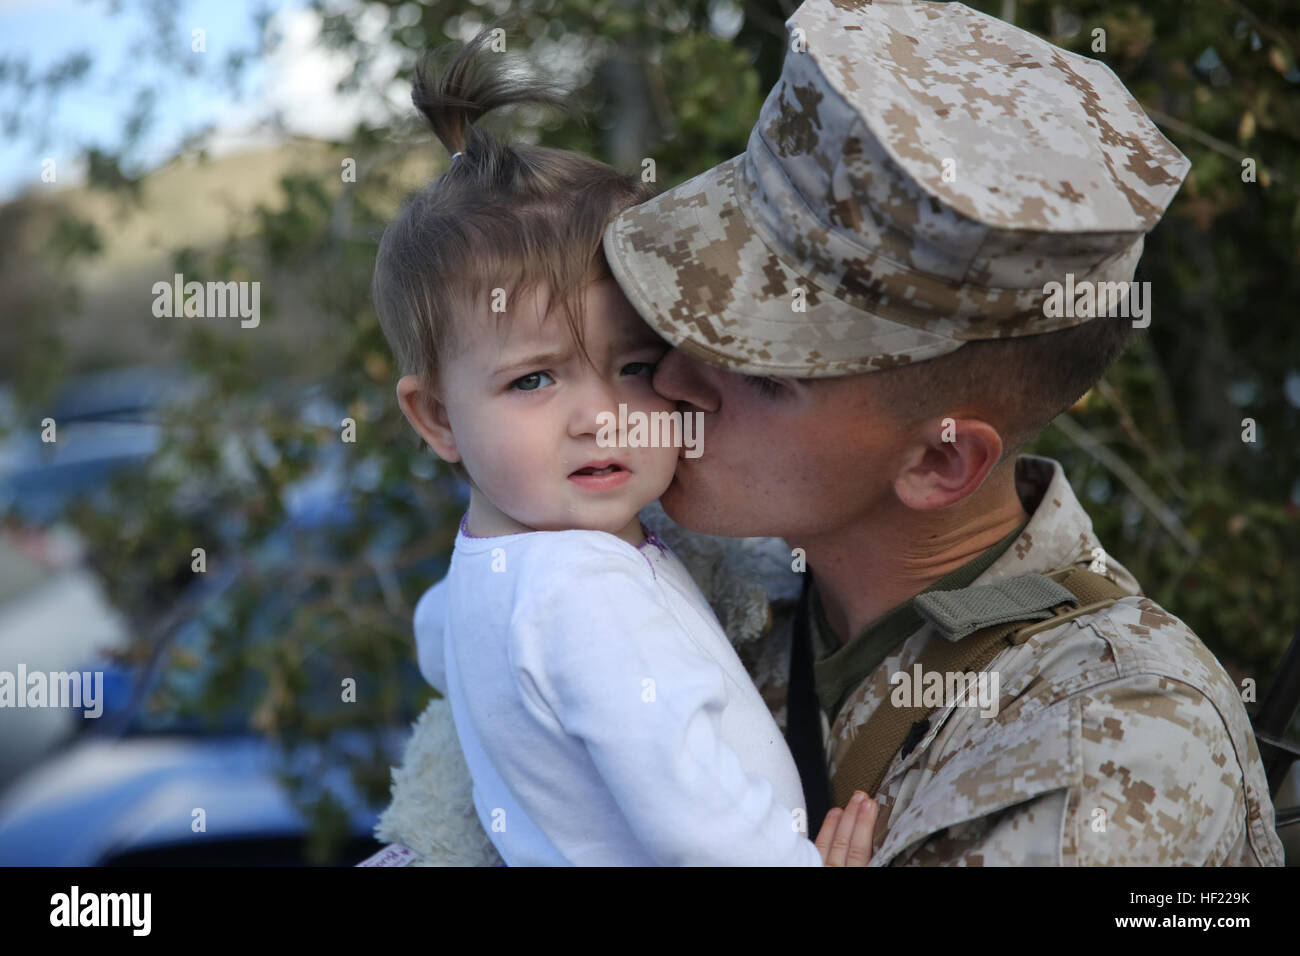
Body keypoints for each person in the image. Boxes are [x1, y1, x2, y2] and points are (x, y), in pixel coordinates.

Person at [375, 0, 1284, 866]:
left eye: (764, 372)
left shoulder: (1105, 755)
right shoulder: (689, 570)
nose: (676, 382)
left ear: (939, 460)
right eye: (675, 325)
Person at [367, 31, 876, 866]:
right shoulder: (584, 598)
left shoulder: (492, 569)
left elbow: (441, 640)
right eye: (534, 381)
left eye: (635, 366)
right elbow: (691, 822)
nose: (602, 416)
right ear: (437, 420)